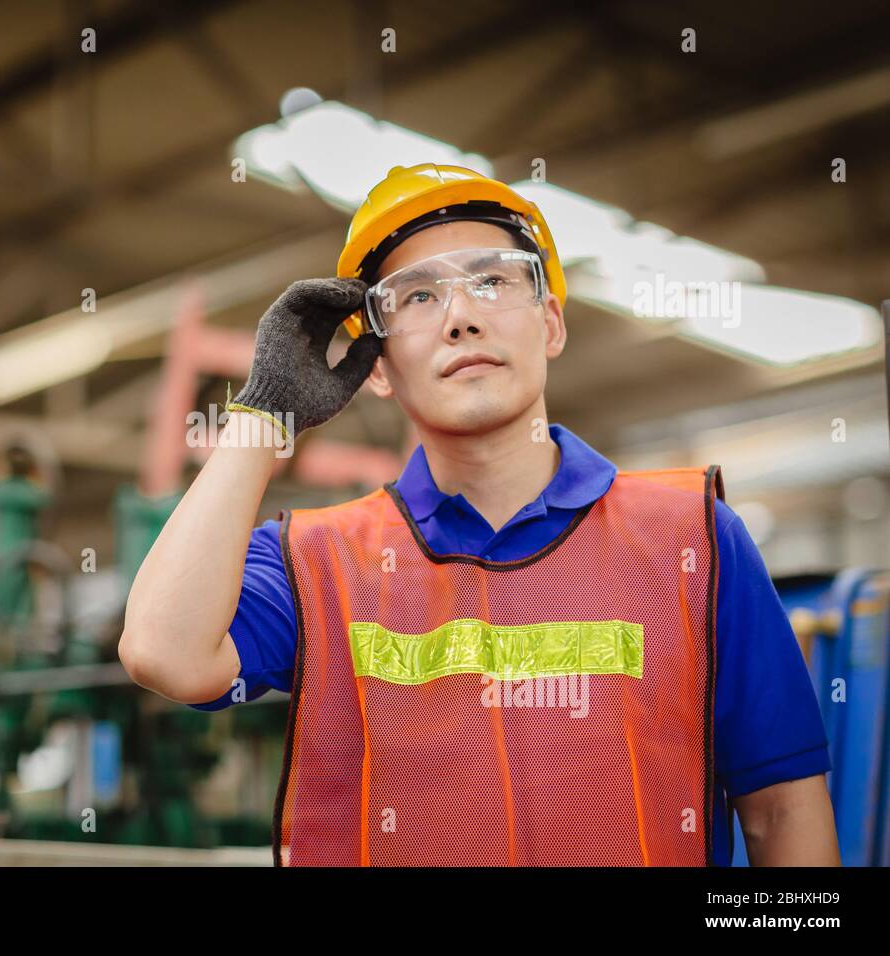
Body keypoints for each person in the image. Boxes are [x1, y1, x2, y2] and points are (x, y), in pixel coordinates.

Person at [119, 163, 839, 866]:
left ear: (550, 323)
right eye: (417, 297)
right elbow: (163, 653)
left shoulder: (693, 540)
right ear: (375, 365)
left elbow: (780, 810)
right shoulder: (316, 565)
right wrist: (263, 415)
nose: (461, 317)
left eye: (492, 281)